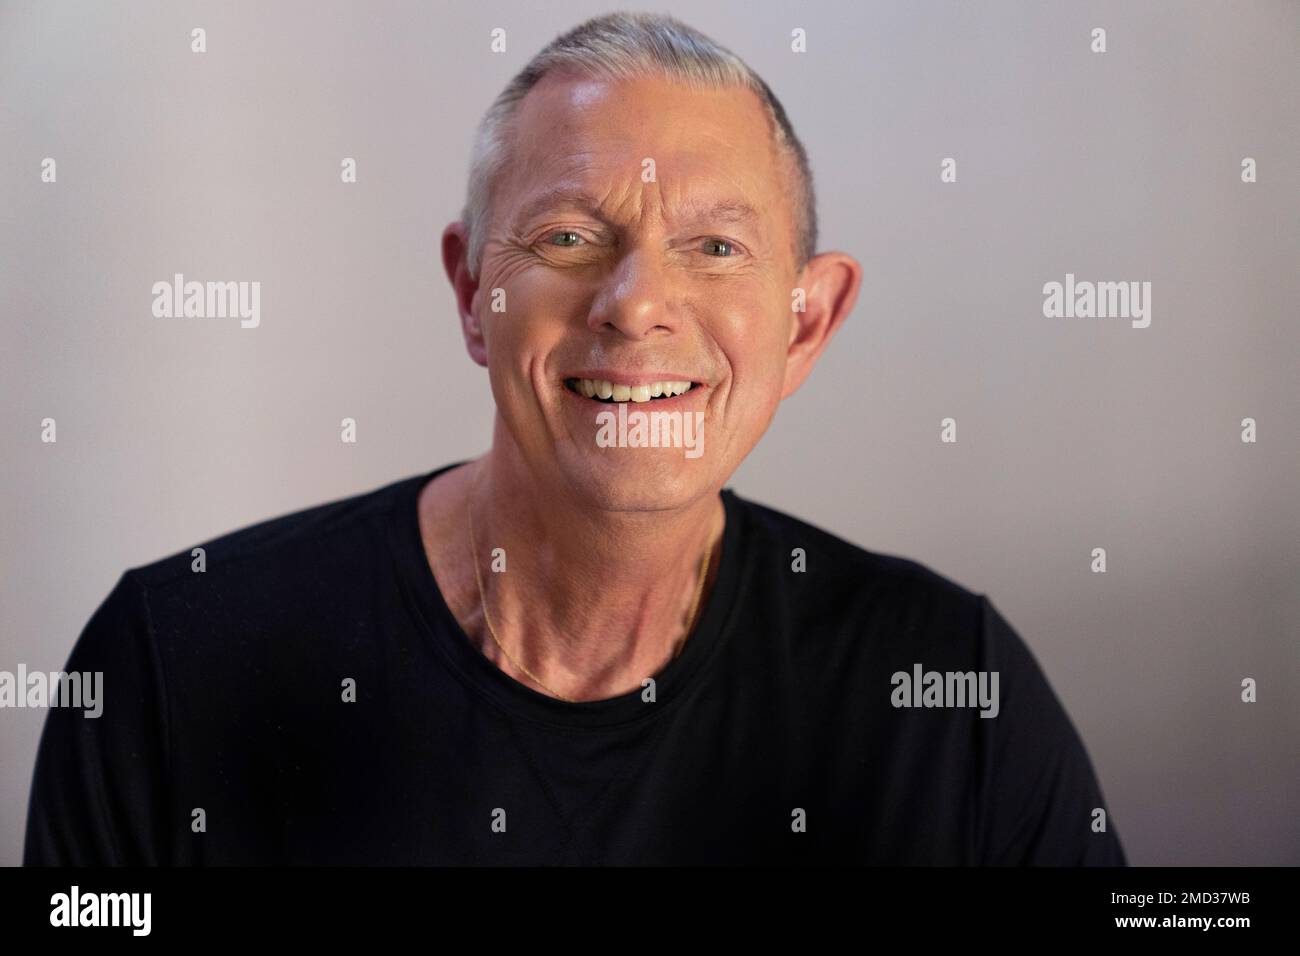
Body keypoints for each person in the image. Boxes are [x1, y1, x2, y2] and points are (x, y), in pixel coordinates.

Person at [24, 11, 1125, 865]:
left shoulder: (948, 686)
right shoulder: (173, 662)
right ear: (471, 291)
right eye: (566, 235)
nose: (637, 304)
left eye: (714, 246)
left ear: (806, 322)